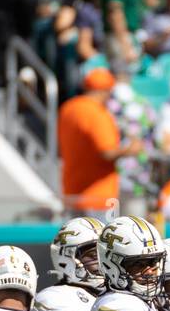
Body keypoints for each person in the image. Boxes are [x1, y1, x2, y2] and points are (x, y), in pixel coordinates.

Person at [58, 67, 136, 217]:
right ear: (105, 91)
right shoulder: (97, 113)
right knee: (99, 240)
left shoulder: (68, 108)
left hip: (71, 192)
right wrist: (131, 148)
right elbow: (107, 152)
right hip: (99, 198)